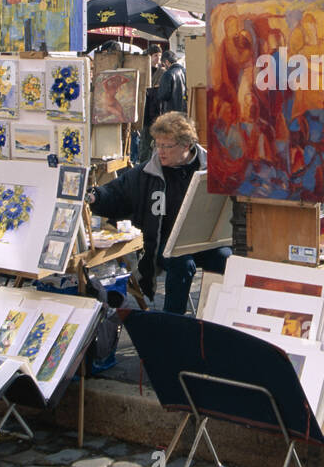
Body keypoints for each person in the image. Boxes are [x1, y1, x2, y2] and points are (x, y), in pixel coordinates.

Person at [90, 111, 226, 314]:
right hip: (164, 243)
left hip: (203, 241)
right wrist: (95, 196)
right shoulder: (147, 172)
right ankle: (174, 323)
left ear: (186, 146)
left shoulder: (211, 168)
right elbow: (116, 192)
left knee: (226, 258)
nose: (160, 151)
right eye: (158, 144)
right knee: (182, 264)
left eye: (167, 146)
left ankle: (217, 318)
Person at [157, 48, 186, 115]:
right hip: (184, 109)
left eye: (163, 64)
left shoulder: (168, 74)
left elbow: (163, 95)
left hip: (171, 111)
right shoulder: (184, 71)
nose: (164, 67)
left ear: (167, 62)